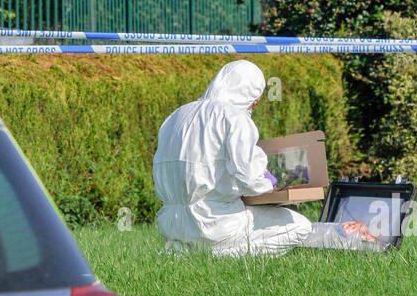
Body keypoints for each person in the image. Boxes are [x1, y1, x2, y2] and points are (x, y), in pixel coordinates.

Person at [152, 60, 382, 257]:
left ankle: (182, 252)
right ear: (250, 93)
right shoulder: (234, 118)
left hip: (172, 223)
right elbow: (251, 182)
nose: (255, 105)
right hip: (213, 224)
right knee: (299, 226)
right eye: (255, 99)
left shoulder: (176, 116)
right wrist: (273, 184)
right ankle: (219, 256)